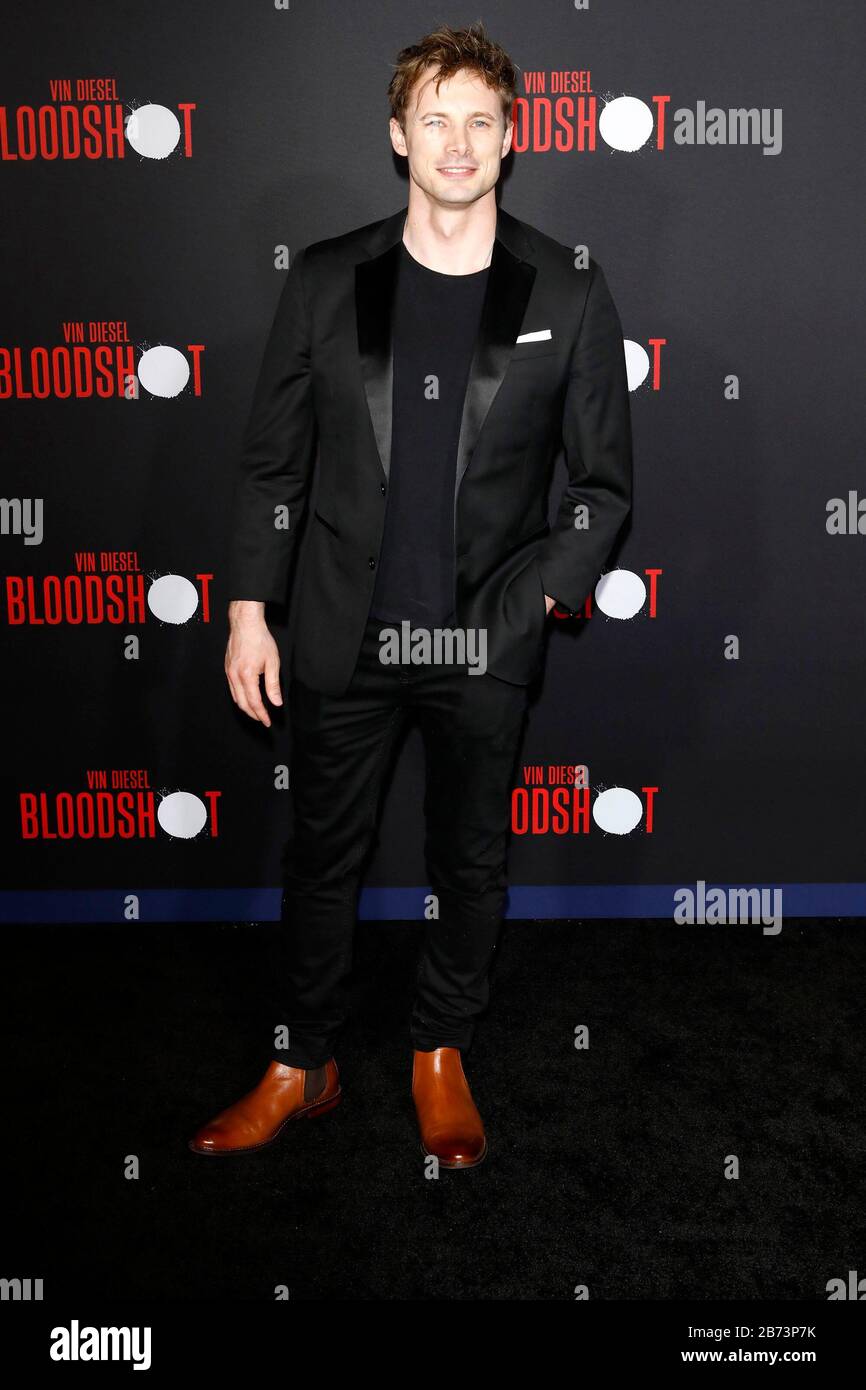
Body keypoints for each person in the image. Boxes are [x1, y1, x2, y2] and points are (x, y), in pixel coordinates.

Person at [189, 22, 633, 1167]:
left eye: (480, 119)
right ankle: (302, 1061)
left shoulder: (569, 290)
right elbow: (272, 462)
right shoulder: (331, 277)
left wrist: (528, 603)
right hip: (343, 631)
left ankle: (440, 1050)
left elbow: (600, 489)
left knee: (468, 862)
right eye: (433, 117)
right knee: (319, 859)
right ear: (396, 136)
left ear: (511, 139)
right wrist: (247, 607)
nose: (456, 140)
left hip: (484, 636)